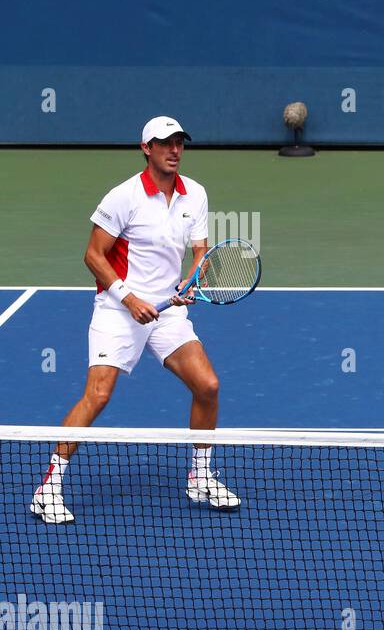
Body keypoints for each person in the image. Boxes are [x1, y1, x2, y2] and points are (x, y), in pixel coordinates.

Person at [30, 116, 240, 524]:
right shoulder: (123, 197)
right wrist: (128, 299)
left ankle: (200, 477)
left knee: (208, 385)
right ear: (146, 148)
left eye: (179, 143)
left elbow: (201, 250)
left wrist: (192, 280)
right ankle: (48, 489)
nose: (174, 150)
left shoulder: (195, 194)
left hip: (167, 311)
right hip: (118, 309)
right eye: (165, 143)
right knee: (98, 395)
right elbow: (93, 256)